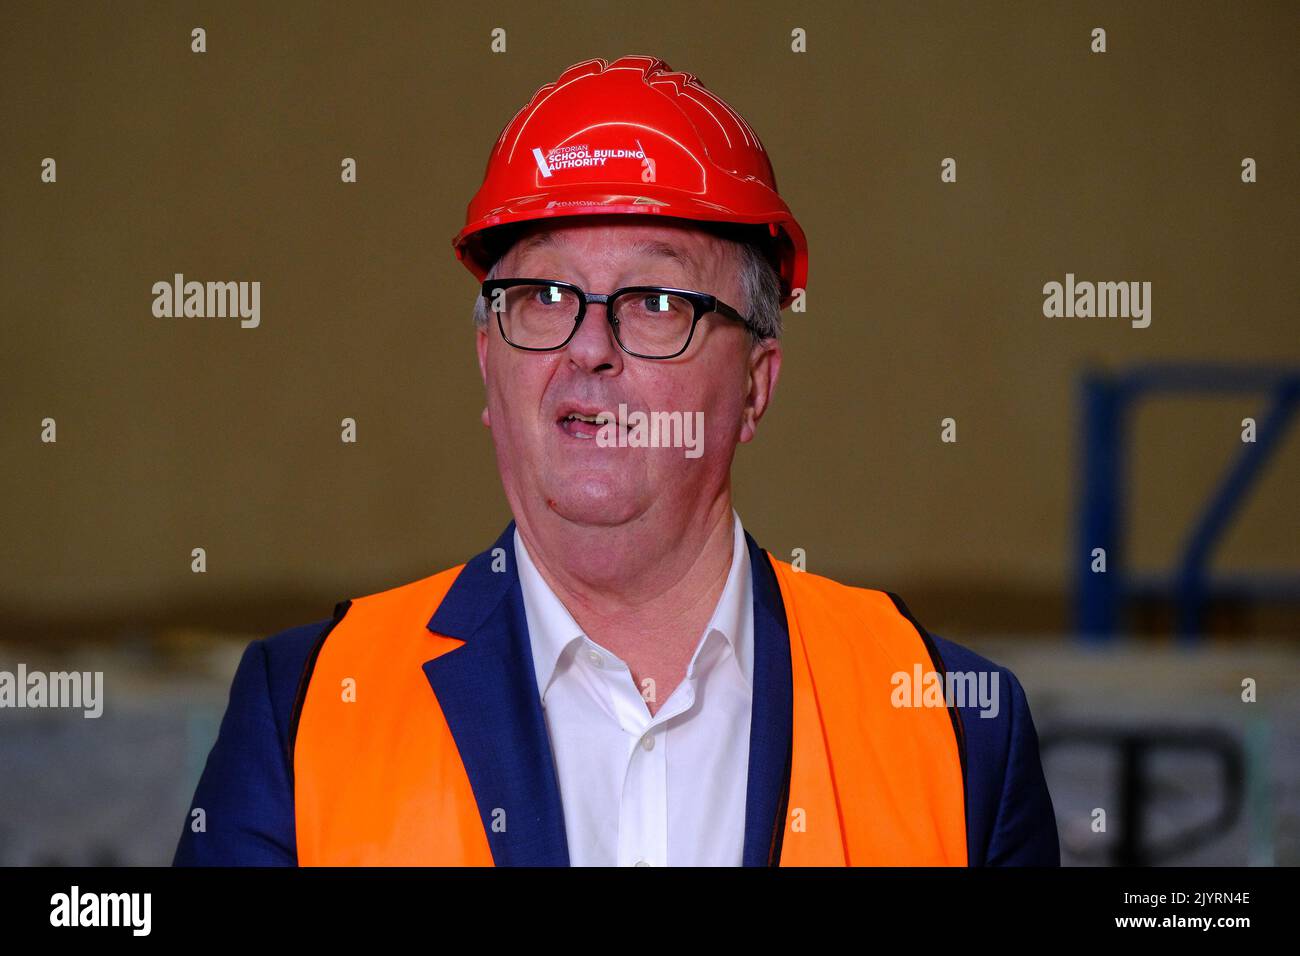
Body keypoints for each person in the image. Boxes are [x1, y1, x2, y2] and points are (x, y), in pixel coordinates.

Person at [174, 54, 1058, 867]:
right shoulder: (309, 709)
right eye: (545, 294)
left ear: (755, 383)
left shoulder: (950, 724)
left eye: (657, 300)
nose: (588, 348)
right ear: (489, 363)